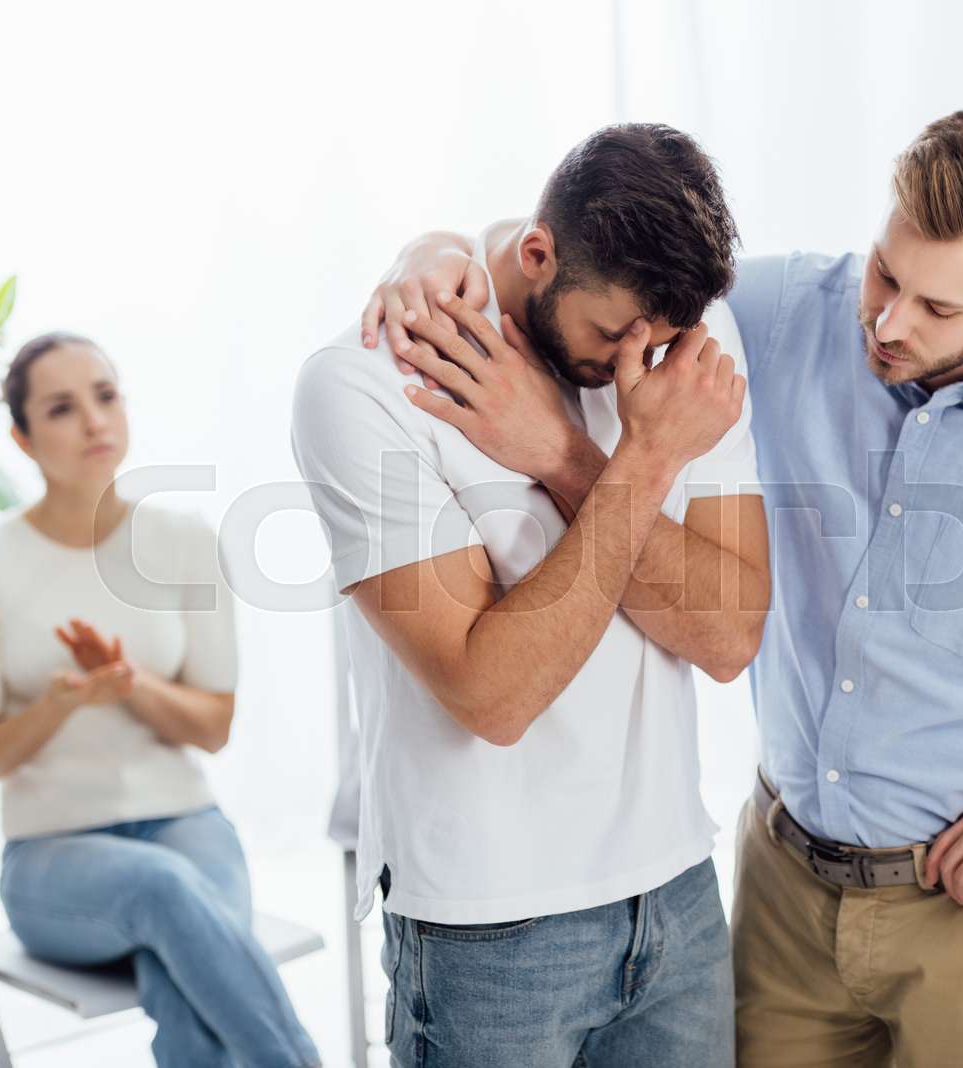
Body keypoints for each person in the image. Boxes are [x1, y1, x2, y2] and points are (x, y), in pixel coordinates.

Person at [366, 106, 963, 1066]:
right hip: (780, 896)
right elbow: (601, 265)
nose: (885, 321)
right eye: (885, 272)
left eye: (938, 307)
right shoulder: (787, 313)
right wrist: (435, 251)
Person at [291, 123, 768, 1068]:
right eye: (610, 335)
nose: (641, 367)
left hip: (673, 889)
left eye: (663, 342)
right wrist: (643, 462)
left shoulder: (682, 358)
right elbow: (493, 695)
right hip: (487, 933)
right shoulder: (369, 385)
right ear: (539, 254)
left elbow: (727, 638)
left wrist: (565, 452)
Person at [0, 332, 320, 1068]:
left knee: (184, 973)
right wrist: (63, 702)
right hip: (52, 856)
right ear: (22, 436)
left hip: (187, 823)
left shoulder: (183, 540)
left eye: (106, 396)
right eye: (63, 408)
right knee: (169, 892)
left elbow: (214, 728)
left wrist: (130, 685)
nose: (95, 422)